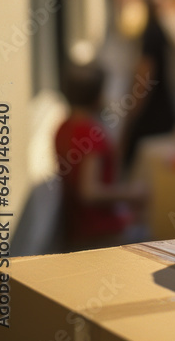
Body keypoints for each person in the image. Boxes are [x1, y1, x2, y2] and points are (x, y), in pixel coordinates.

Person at [55, 60, 147, 250]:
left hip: (76, 230)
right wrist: (132, 193)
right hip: (100, 232)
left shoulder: (62, 128)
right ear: (97, 96)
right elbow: (89, 192)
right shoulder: (91, 133)